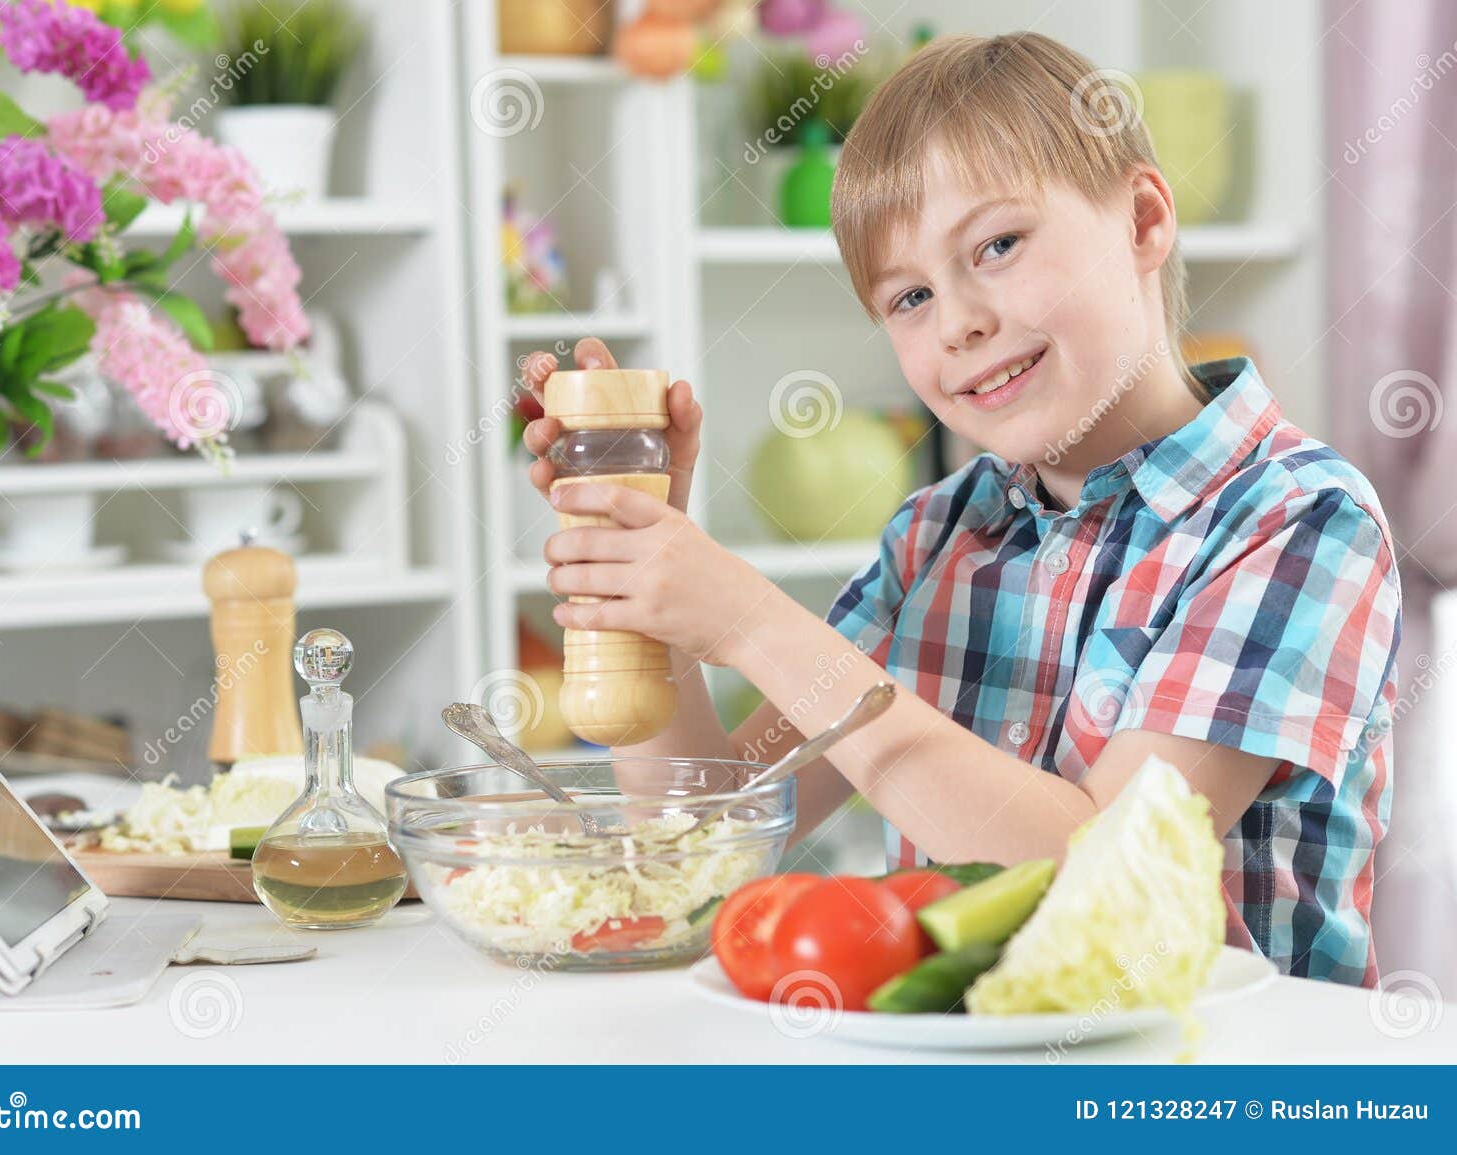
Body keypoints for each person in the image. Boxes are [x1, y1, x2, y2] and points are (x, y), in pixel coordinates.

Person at [519, 32, 1400, 988]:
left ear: (1144, 219)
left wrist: (745, 617)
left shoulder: (1297, 521)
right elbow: (705, 845)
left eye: (999, 245)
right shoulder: (936, 535)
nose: (959, 321)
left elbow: (1103, 878)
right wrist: (646, 575)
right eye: (909, 296)